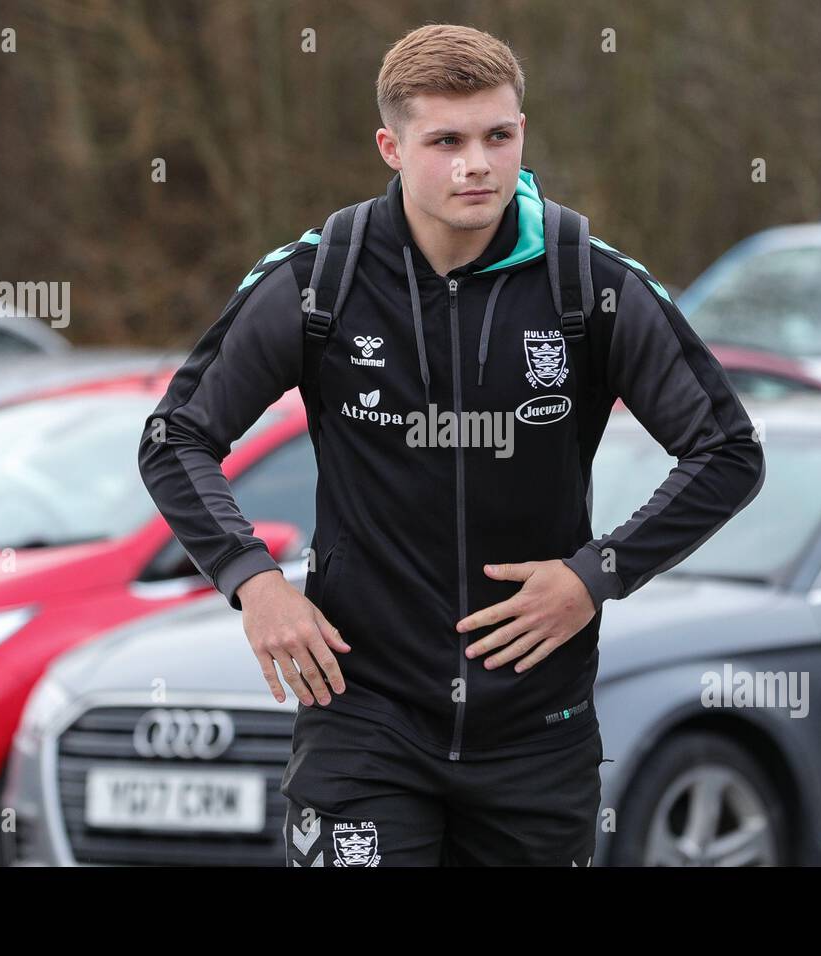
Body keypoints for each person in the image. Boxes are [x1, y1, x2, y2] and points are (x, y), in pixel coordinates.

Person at [137, 23, 765, 867]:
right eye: (447, 141)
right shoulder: (320, 279)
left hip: (537, 736)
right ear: (391, 147)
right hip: (365, 722)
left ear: (521, 134)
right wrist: (252, 581)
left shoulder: (590, 283)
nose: (478, 163)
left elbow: (728, 451)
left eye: (497, 136)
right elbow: (174, 436)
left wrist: (598, 574)